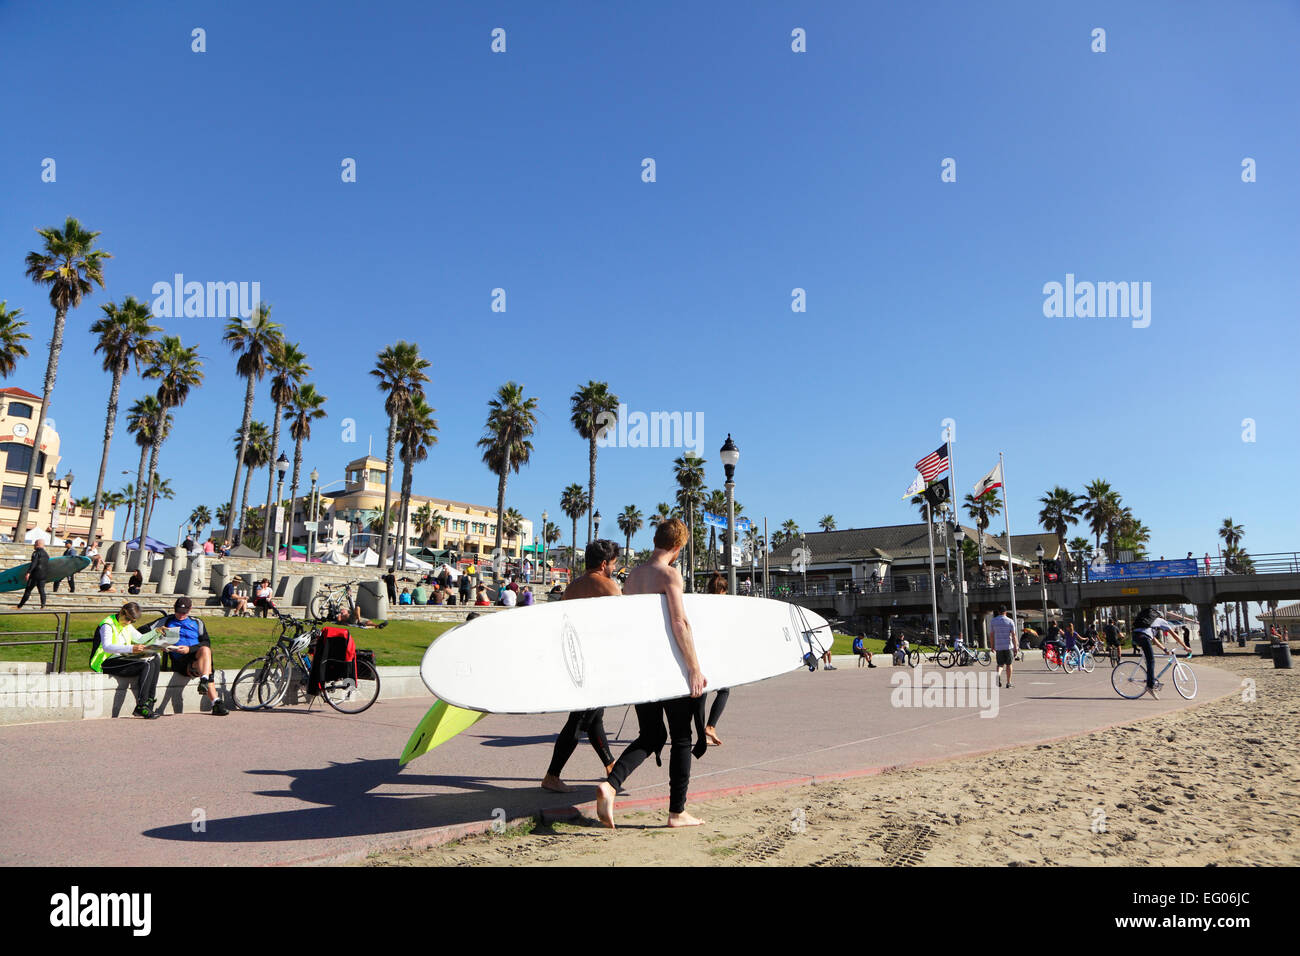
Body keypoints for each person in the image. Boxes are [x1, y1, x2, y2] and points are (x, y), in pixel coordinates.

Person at [595, 518, 706, 828]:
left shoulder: (632, 578)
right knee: (681, 737)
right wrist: (694, 667)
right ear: (678, 546)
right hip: (669, 666)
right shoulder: (669, 575)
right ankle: (677, 812)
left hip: (642, 666)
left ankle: (611, 784)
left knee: (652, 734)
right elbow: (679, 623)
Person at [541, 540, 622, 793]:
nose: (615, 569)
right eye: (613, 564)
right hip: (597, 662)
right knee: (580, 720)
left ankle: (610, 765)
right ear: (603, 564)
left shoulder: (572, 587)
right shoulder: (610, 587)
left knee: (594, 716)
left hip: (574, 658)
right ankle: (552, 776)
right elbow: (621, 626)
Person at [146, 597, 228, 716]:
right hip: (180, 661)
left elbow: (206, 642)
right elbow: (142, 631)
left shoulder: (197, 622)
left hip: (196, 656)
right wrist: (158, 638)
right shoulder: (167, 620)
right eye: (178, 612)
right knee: (206, 665)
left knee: (205, 650)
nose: (180, 615)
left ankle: (205, 681)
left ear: (190, 610)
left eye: (183, 613)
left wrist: (189, 649)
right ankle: (215, 701)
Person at [90, 602, 163, 718]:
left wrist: (156, 632)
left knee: (155, 658)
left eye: (132, 621)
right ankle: (141, 705)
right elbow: (107, 646)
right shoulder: (107, 625)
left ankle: (150, 700)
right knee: (146, 665)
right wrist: (131, 648)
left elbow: (140, 638)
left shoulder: (127, 625)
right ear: (122, 611)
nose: (129, 622)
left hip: (122, 657)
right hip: (105, 662)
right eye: (128, 619)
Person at [1130, 606, 1187, 700]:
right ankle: (1150, 686)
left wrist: (1165, 650)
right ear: (1161, 616)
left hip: (1136, 636)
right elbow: (1175, 635)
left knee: (1149, 660)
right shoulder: (1160, 621)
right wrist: (1185, 647)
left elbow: (1154, 640)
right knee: (1151, 660)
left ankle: (1151, 679)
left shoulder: (1149, 625)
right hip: (1143, 637)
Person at [703, 573, 733, 745]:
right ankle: (710, 726)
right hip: (715, 654)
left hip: (700, 653)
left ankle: (703, 731)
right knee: (724, 690)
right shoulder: (723, 607)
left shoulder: (701, 604)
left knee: (701, 693)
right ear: (722, 590)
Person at [16, 539, 50, 609]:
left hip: (35, 575)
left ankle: (19, 606)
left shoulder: (36, 553)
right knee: (42, 591)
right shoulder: (46, 554)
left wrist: (28, 572)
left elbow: (34, 563)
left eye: (34, 544)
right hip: (43, 576)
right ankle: (43, 606)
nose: (33, 545)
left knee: (28, 590)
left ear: (37, 544)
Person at [990, 606, 1016, 689]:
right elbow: (1014, 635)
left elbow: (991, 634)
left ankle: (998, 675)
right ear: (1006, 612)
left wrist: (992, 646)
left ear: (998, 612)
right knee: (1009, 664)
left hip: (998, 646)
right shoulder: (1010, 621)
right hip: (1008, 646)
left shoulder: (993, 621)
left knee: (1000, 664)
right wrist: (1016, 647)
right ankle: (1008, 682)